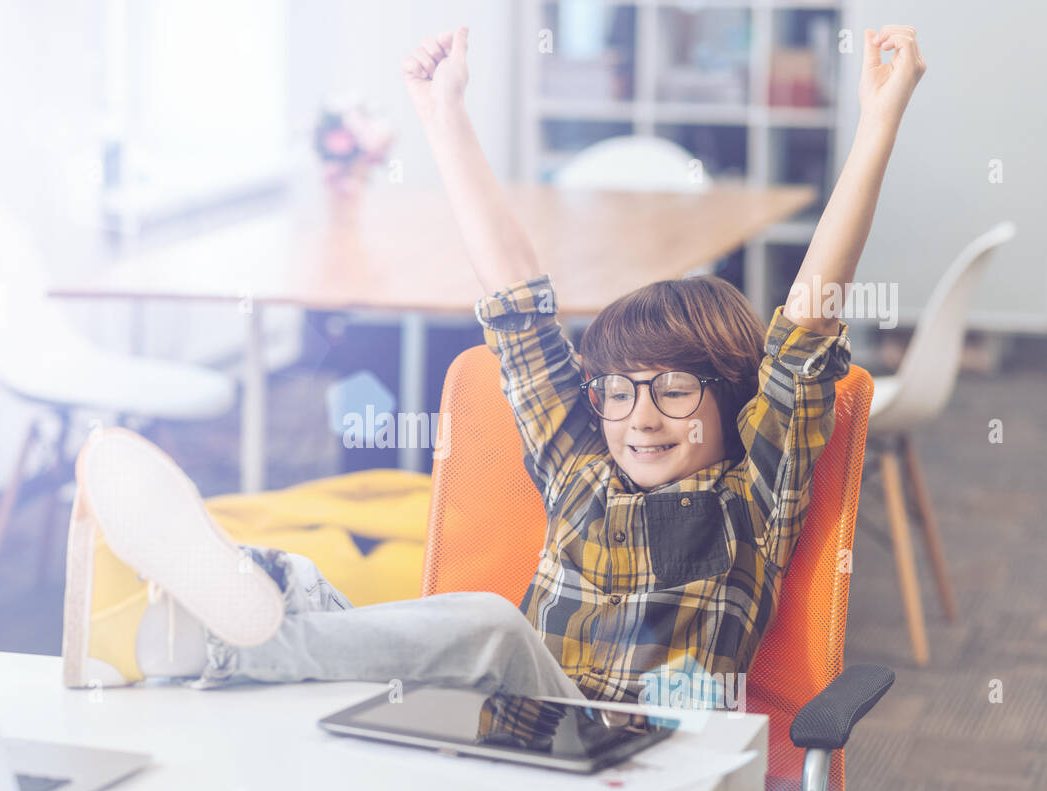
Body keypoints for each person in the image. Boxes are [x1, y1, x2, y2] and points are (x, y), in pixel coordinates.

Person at [60, 24, 925, 708]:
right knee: (316, 590)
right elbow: (517, 299)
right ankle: (199, 606)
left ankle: (212, 644)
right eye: (618, 393)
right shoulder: (581, 470)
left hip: (651, 747)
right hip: (512, 730)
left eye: (671, 390)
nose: (639, 417)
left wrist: (879, 123)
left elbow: (811, 313)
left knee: (487, 626)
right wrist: (444, 118)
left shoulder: (749, 500)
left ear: (731, 396)